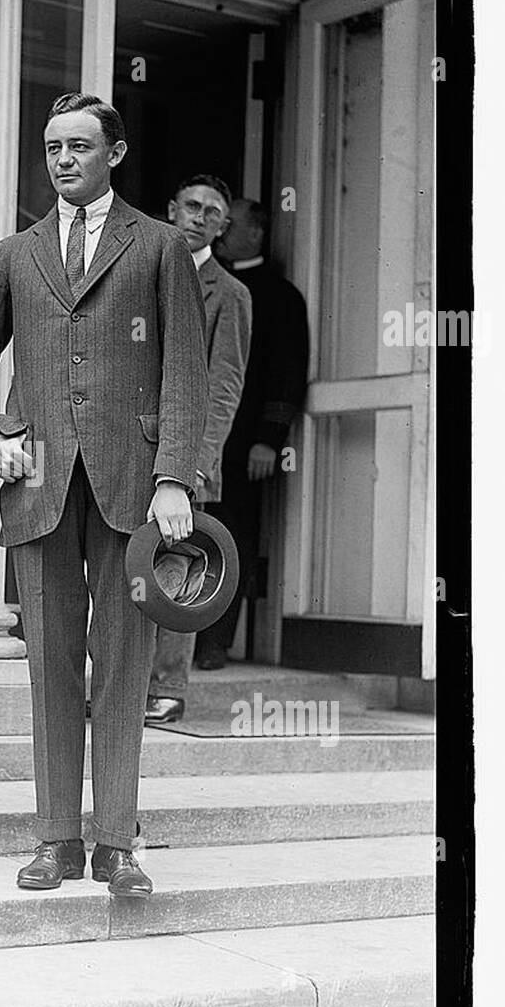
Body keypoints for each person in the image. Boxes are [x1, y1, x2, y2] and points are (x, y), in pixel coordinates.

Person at [0, 93, 208, 898]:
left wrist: (174, 475)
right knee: (51, 668)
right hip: (38, 487)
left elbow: (186, 375)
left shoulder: (159, 246)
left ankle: (118, 844)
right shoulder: (15, 252)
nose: (63, 159)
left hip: (133, 488)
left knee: (124, 666)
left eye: (79, 147)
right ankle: (56, 839)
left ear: (116, 154)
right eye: (52, 147)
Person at [145, 176, 252, 725]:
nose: (198, 217)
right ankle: (122, 687)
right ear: (171, 208)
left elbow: (223, 385)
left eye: (211, 212)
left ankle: (167, 688)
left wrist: (195, 465)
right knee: (126, 570)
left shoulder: (230, 295)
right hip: (132, 450)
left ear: (222, 226)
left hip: (186, 458)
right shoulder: (145, 271)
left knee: (178, 572)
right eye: (189, 205)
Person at [196, 197, 309, 669]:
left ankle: (216, 642)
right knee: (190, 538)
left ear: (257, 232)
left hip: (244, 446)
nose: (219, 231)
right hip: (198, 438)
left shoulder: (280, 295)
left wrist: (270, 437)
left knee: (232, 539)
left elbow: (287, 370)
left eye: (230, 222)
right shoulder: (202, 281)